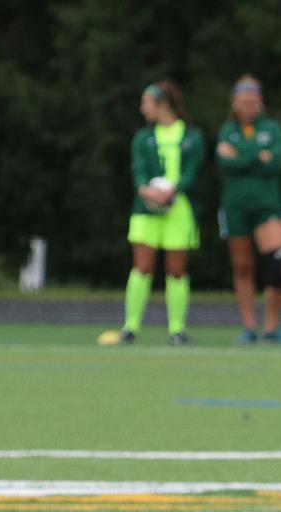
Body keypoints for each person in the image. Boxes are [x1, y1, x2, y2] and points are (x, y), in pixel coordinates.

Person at [99, 81, 204, 347]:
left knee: (176, 271)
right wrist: (146, 190)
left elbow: (191, 172)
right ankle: (130, 327)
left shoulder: (191, 137)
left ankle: (177, 329)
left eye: (147, 102)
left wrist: (173, 190)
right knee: (142, 268)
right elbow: (139, 172)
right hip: (145, 211)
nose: (142, 107)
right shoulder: (142, 138)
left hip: (177, 210)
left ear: (163, 104)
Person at [215, 75, 281, 344]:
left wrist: (241, 155)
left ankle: (272, 326)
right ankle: (249, 326)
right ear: (235, 103)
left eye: (252, 100)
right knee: (242, 266)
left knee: (278, 261)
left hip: (267, 206)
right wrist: (257, 154)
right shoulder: (228, 130)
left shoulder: (272, 128)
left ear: (260, 102)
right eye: (242, 101)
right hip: (236, 206)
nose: (247, 106)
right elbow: (225, 162)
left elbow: (276, 161)